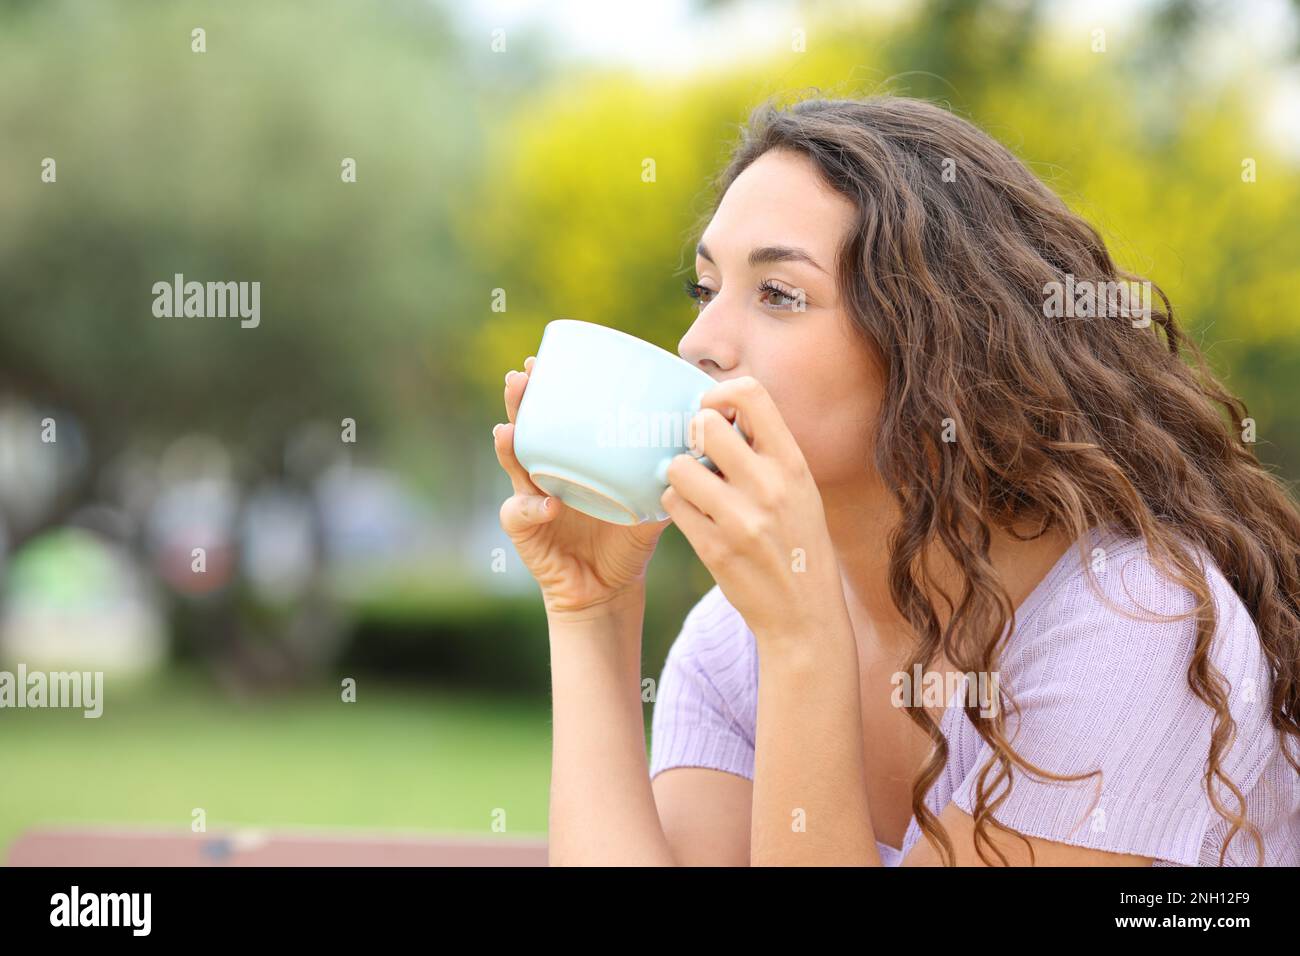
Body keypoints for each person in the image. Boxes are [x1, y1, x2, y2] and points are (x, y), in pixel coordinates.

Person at [491, 94, 1300, 866]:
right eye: (705, 290)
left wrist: (803, 643)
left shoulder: (1134, 622)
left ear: (937, 343)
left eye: (779, 294)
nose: (700, 342)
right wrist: (591, 610)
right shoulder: (731, 643)